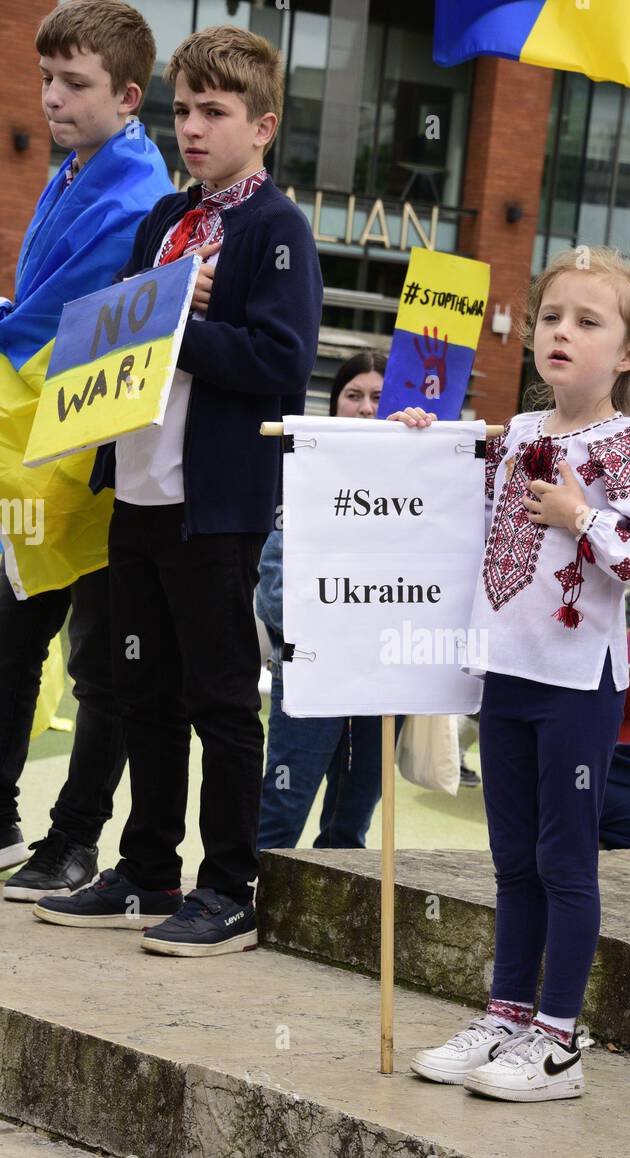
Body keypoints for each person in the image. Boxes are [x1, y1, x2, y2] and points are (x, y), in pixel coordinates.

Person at [32, 25, 323, 956]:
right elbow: (114, 335)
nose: (192, 128)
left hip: (217, 504)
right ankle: (147, 870)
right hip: (139, 489)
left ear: (262, 124)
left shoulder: (277, 231)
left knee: (222, 697)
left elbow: (282, 362)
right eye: (183, 110)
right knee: (138, 687)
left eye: (214, 112)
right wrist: (149, 307)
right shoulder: (165, 220)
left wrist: (173, 324)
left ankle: (229, 885)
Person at [392, 245, 630, 1101]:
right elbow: (459, 506)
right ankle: (506, 1016)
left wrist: (580, 514)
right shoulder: (517, 432)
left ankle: (559, 1041)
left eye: (588, 322)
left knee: (566, 860)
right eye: (552, 317)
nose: (562, 333)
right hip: (506, 676)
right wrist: (424, 441)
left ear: (628, 355)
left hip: (576, 685)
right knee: (512, 858)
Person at [0, 0, 173, 896]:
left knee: (104, 659)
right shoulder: (73, 172)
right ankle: (10, 817)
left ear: (128, 95)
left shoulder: (137, 192)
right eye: (46, 79)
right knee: (20, 630)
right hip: (52, 449)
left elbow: (68, 323)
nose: (53, 98)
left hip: (103, 458)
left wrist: (11, 332)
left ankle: (72, 841)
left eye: (75, 83)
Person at [257, 351, 404, 852]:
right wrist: (321, 630)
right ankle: (249, 904)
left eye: (379, 398)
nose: (366, 409)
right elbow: (272, 584)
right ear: (335, 404)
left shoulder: (422, 484)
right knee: (283, 803)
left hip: (387, 669)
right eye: (354, 395)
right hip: (313, 665)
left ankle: (335, 919)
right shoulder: (303, 470)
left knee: (351, 818)